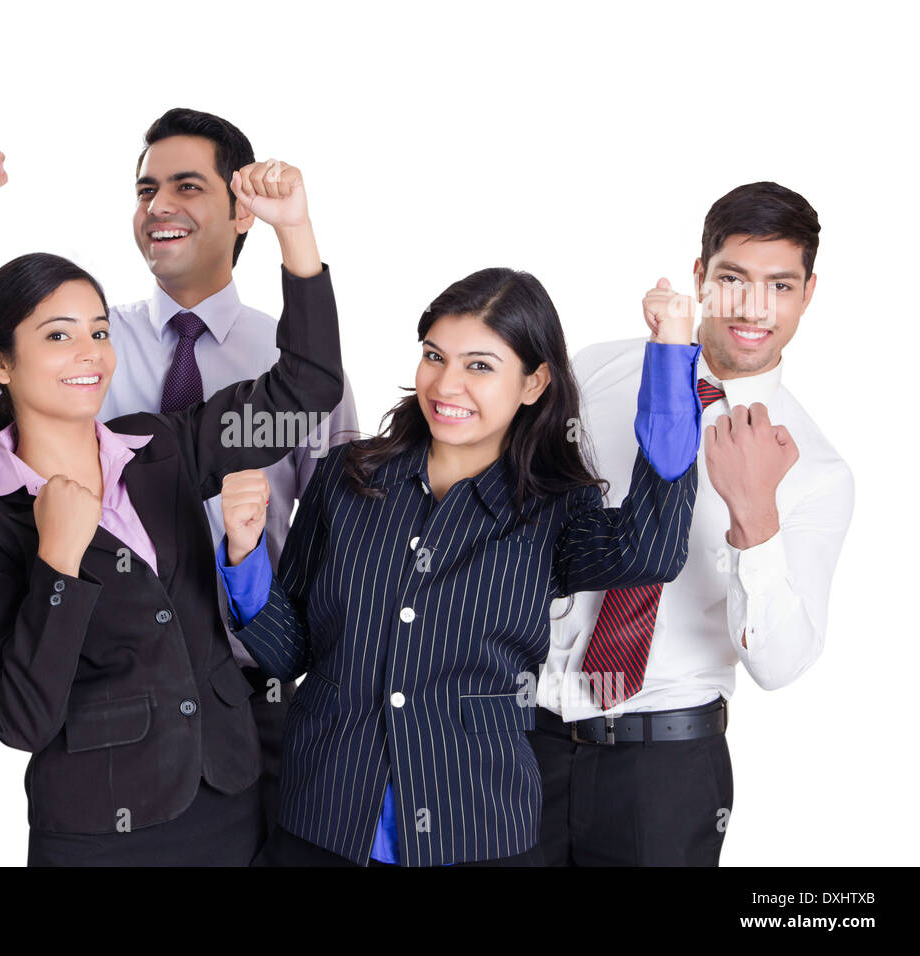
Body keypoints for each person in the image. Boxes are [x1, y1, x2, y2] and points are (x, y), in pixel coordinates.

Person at [0, 109, 359, 839]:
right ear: (4, 363)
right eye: (146, 188)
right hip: (104, 796)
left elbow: (313, 393)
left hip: (241, 737)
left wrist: (298, 229)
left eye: (93, 334)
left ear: (238, 210)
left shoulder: (160, 442)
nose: (89, 352)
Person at [215, 266, 703, 866]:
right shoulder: (349, 476)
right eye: (434, 356)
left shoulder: (553, 507)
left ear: (534, 383)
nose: (446, 385)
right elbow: (289, 655)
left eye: (479, 365)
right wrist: (244, 555)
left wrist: (671, 355)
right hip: (324, 822)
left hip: (475, 831)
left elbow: (652, 549)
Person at [529, 182, 854, 866]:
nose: (753, 308)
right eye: (734, 279)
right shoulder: (599, 370)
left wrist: (755, 518)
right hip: (526, 740)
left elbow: (782, 663)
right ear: (701, 274)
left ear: (809, 293)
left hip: (664, 770)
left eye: (780, 286)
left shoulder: (817, 470)